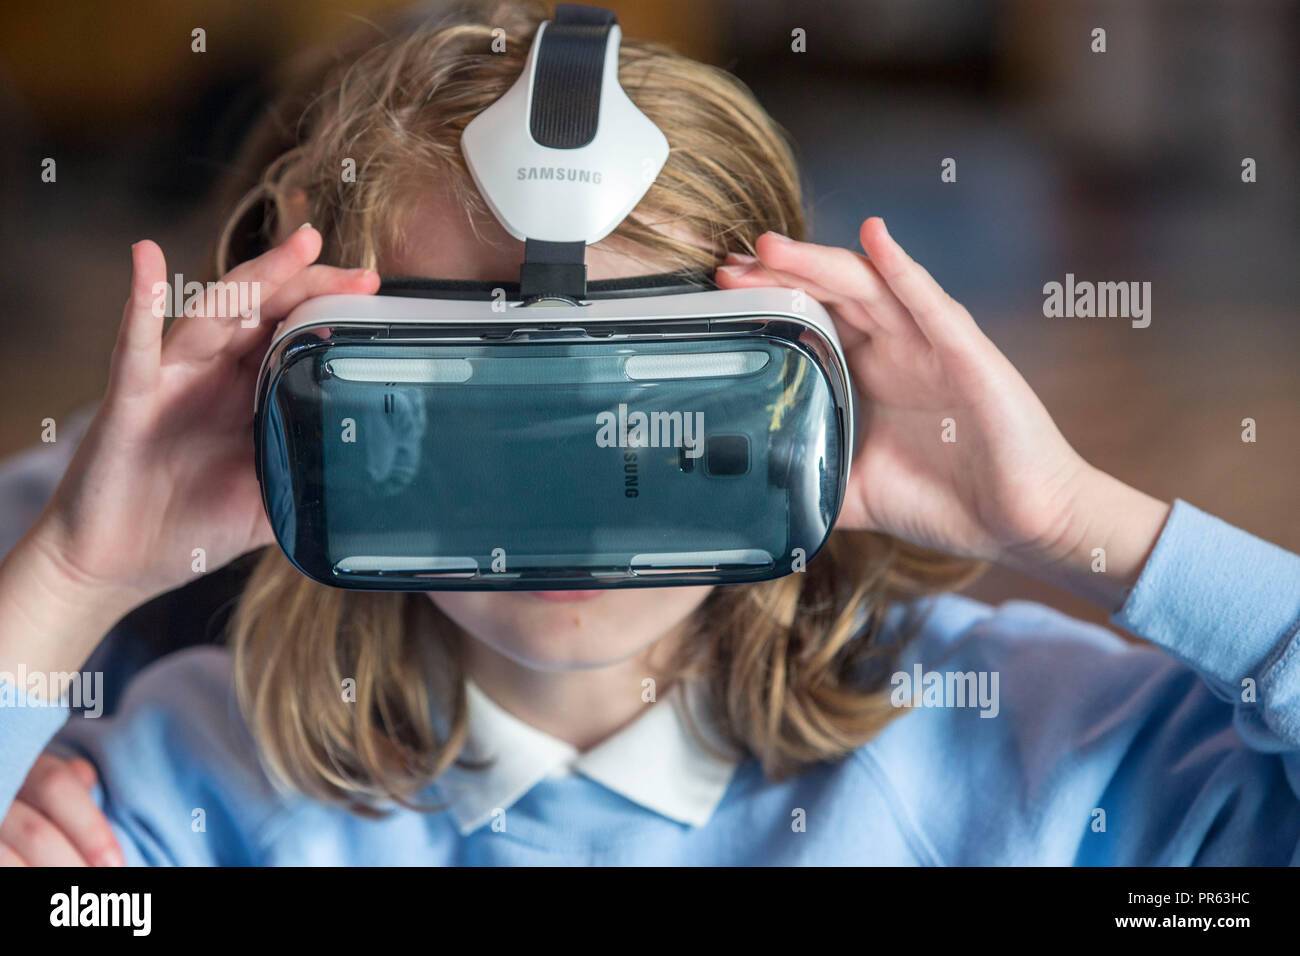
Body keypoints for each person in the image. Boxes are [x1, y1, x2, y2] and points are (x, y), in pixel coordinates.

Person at [1, 0, 1297, 866]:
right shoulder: (195, 774)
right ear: (322, 412)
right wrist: (71, 576)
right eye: (474, 411)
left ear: (799, 392)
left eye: (653, 415)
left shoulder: (1033, 745)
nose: (566, 508)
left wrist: (1079, 526)